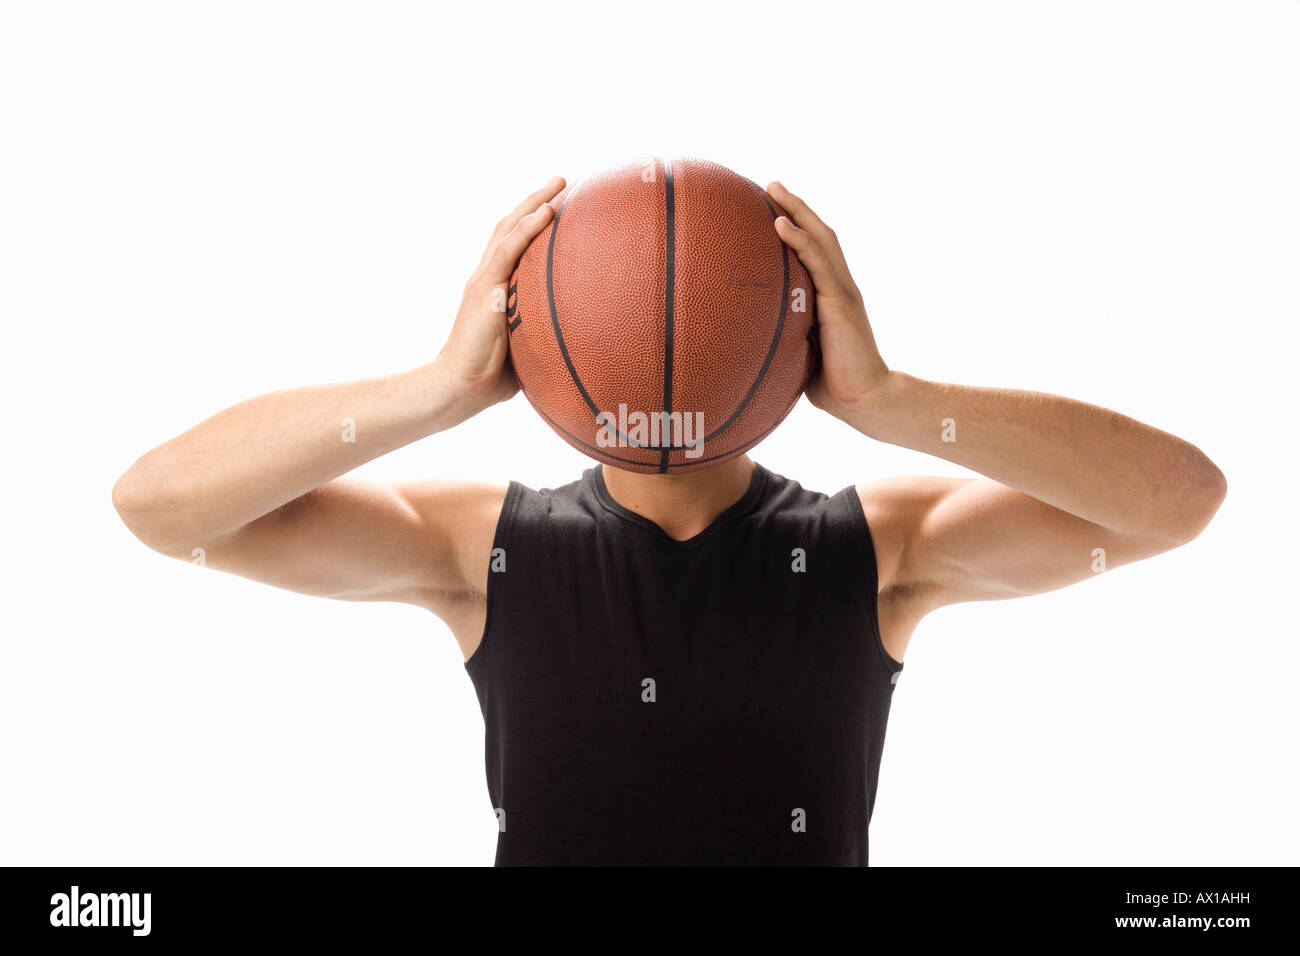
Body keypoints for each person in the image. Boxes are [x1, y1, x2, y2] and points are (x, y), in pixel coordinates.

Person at [111, 176, 1226, 866]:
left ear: (795, 335)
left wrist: (893, 401)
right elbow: (162, 508)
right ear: (531, 336)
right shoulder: (487, 546)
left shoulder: (869, 547)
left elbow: (1180, 499)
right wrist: (435, 388)